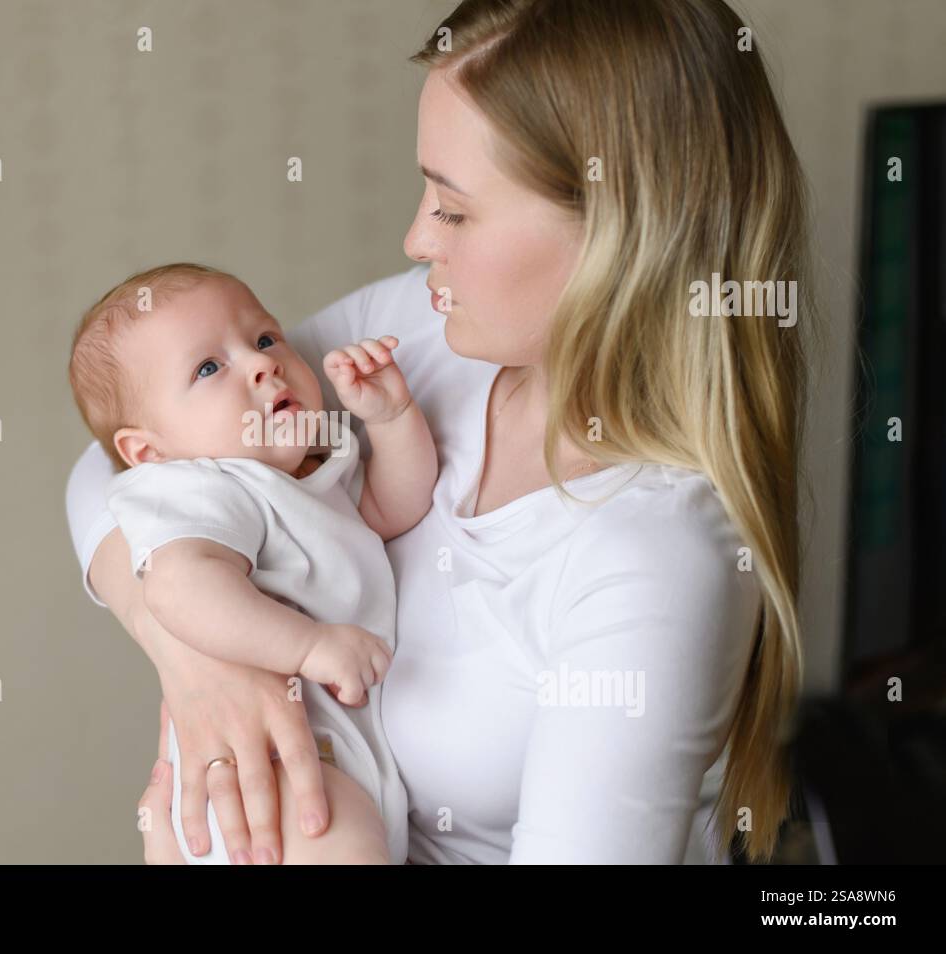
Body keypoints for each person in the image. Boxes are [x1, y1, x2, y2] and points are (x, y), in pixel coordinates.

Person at [67, 0, 809, 864]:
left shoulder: (655, 553)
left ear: (620, 234)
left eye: (454, 210)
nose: (416, 238)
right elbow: (119, 456)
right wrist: (196, 653)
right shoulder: (426, 332)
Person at [67, 262, 438, 863]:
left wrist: (392, 422)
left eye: (264, 338)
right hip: (267, 768)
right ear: (150, 452)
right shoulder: (203, 487)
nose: (262, 362)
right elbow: (180, 589)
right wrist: (308, 647)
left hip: (332, 763)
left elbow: (392, 510)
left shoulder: (309, 471)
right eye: (209, 367)